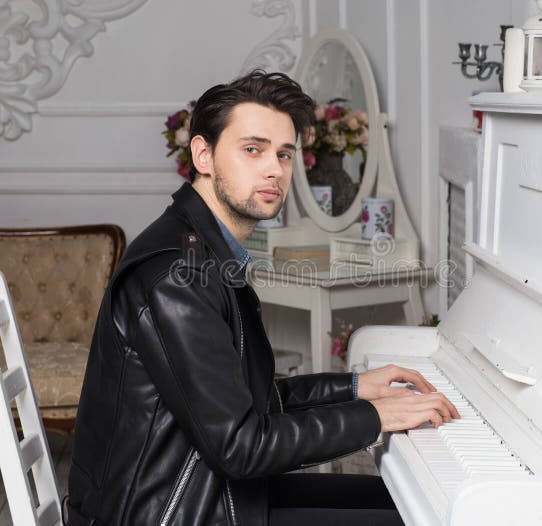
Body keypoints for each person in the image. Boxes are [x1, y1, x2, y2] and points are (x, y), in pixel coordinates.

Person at [66, 70, 459, 526]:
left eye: (285, 154)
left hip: (201, 489)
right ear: (204, 154)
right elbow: (242, 446)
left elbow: (240, 402)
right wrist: (374, 416)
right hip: (167, 512)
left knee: (406, 504)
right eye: (253, 149)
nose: (275, 168)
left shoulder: (201, 250)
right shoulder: (177, 277)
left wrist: (353, 389)